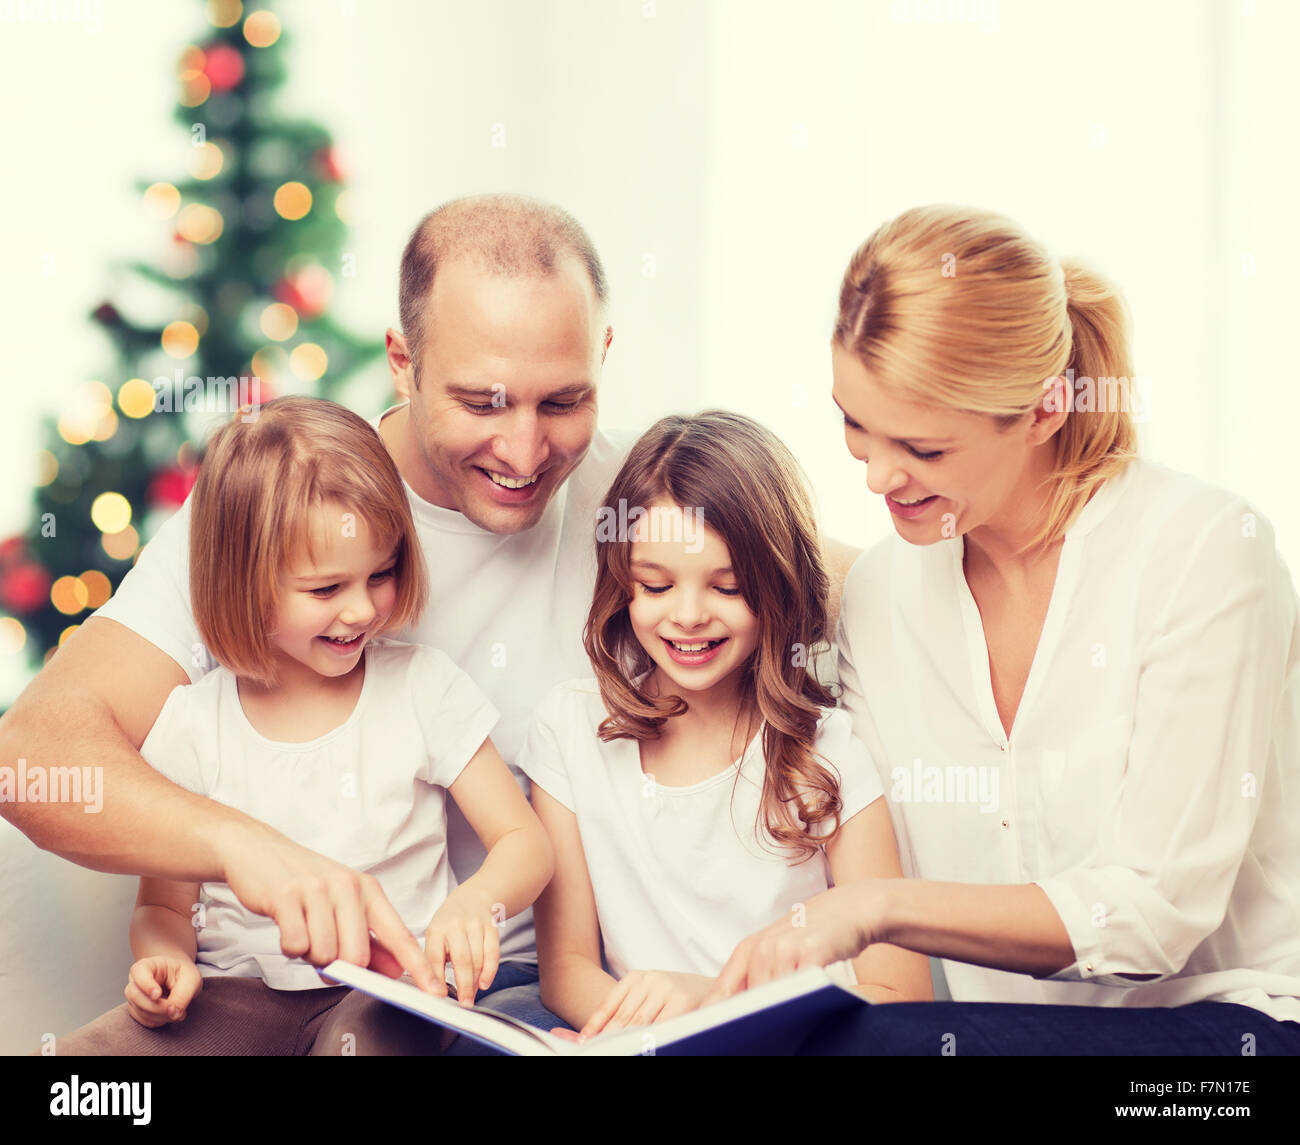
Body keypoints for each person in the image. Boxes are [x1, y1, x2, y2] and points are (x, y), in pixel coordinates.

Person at [1, 193, 860, 1043]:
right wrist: (243, 847)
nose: (525, 454)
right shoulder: (284, 511)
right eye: (482, 403)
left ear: (602, 355)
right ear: (401, 362)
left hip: (507, 996)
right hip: (269, 986)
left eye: (562, 402)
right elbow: (30, 758)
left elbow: (819, 570)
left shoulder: (642, 501)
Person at [703, 205, 1300, 1055]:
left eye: (923, 447)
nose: (876, 475)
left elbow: (1150, 916)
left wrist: (875, 903)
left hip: (1226, 1044)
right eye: (854, 424)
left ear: (1046, 410)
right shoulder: (881, 591)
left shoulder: (1206, 555)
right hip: (998, 1037)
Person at [51, 397, 553, 1055]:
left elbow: (526, 840)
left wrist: (480, 897)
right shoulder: (195, 723)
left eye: (382, 572)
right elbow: (165, 908)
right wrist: (161, 960)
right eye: (325, 589)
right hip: (233, 994)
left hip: (390, 992)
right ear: (246, 585)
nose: (362, 607)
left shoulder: (422, 687)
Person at [519, 411, 932, 1040]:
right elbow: (568, 969)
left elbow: (899, 994)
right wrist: (631, 1037)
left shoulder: (830, 752)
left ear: (777, 586)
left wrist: (711, 1005)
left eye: (728, 587)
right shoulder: (569, 729)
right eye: (656, 586)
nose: (688, 616)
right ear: (622, 583)